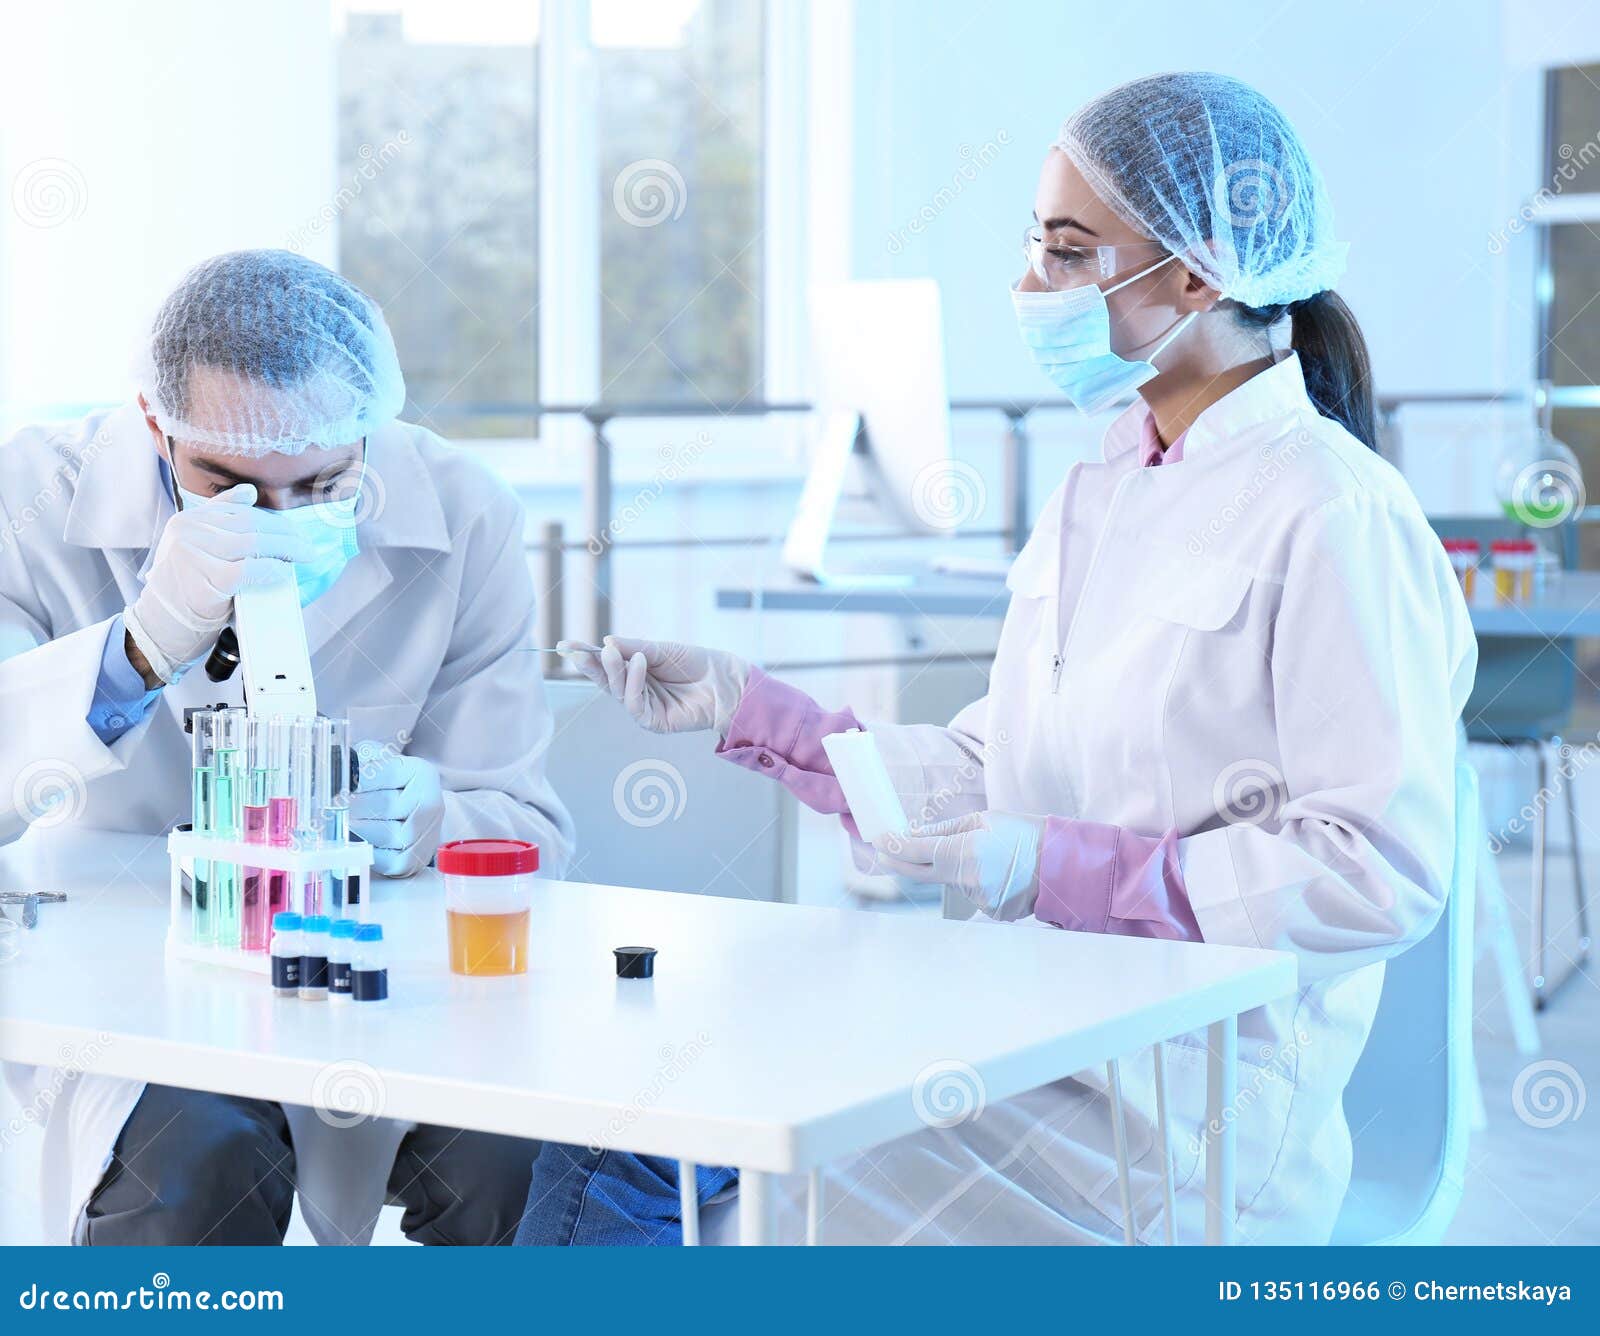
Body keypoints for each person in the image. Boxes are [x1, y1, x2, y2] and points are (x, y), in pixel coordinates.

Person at [520, 72, 1476, 1245]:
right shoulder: (1104, 485)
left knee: (756, 1179)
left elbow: (1376, 867)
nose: (1031, 286)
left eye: (1070, 253)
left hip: (1177, 1121)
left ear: (1198, 272)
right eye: (1036, 245)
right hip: (1030, 1031)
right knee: (625, 1115)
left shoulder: (1335, 513)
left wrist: (1068, 871)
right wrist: (753, 711)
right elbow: (997, 772)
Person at [0, 250, 574, 1245]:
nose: (281, 523)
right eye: (227, 485)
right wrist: (135, 651)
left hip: (377, 972)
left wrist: (435, 819)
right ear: (154, 423)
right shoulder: (31, 500)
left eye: (321, 484)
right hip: (122, 978)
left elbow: (527, 829)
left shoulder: (464, 512)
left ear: (366, 434)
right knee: (198, 1162)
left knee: (517, 1163)